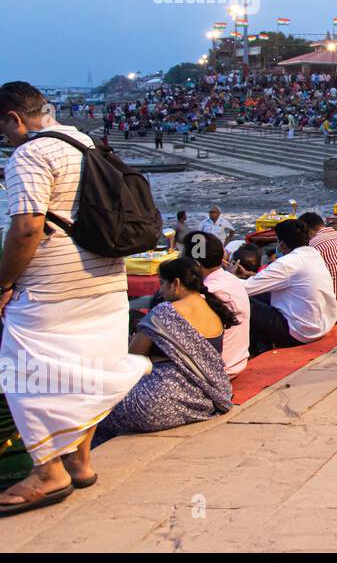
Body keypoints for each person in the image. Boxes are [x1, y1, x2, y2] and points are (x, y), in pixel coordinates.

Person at [0, 83, 150, 516]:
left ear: (14, 118)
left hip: (52, 290)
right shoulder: (86, 143)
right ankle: (80, 462)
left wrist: (4, 281)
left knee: (25, 376)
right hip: (106, 283)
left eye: (2, 128)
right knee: (83, 375)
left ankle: (49, 474)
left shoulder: (28, 155)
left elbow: (27, 229)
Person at [96, 257, 234, 440]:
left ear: (175, 283)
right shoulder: (214, 309)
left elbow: (133, 357)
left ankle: (79, 459)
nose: (160, 290)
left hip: (157, 403)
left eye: (162, 284)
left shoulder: (164, 312)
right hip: (203, 402)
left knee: (95, 405)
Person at [242, 218, 337, 355]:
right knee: (260, 295)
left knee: (241, 301)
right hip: (323, 325)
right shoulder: (314, 254)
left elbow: (244, 289)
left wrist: (227, 275)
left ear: (281, 244)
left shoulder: (287, 263)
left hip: (299, 333)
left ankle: (255, 351)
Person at [179, 230, 251, 378]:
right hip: (236, 363)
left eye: (182, 256)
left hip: (216, 373)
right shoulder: (231, 280)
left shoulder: (204, 294)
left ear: (195, 264)